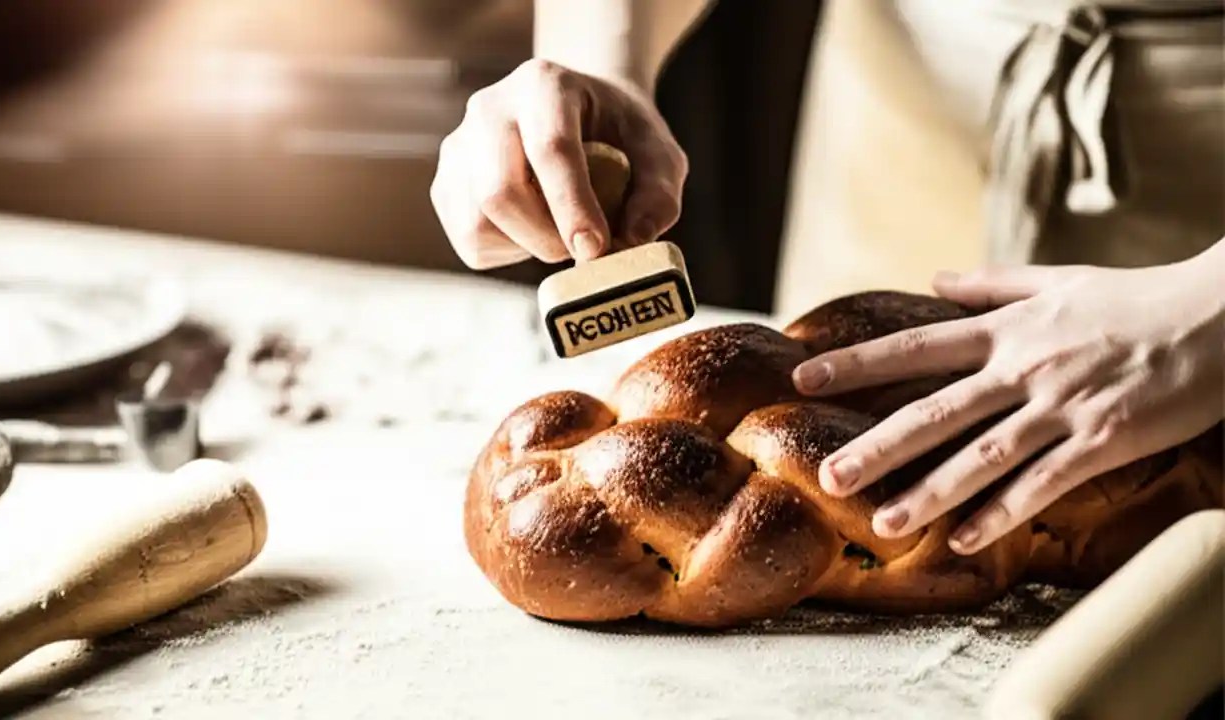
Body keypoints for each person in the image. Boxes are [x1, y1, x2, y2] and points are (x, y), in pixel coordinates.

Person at [429, 0, 1224, 555]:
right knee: (834, 497)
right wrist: (596, 60)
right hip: (904, 108)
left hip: (1199, 177)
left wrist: (1207, 310)